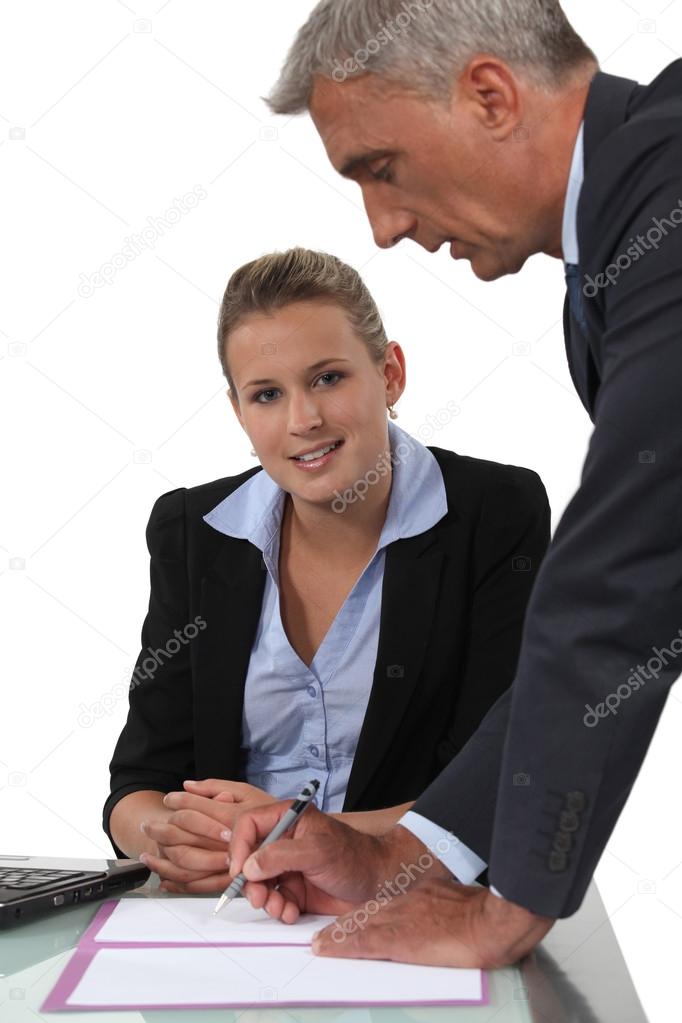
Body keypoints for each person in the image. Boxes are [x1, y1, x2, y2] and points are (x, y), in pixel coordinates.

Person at [217, 0, 682, 969]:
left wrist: (502, 910)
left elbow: (615, 584)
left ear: (489, 95)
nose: (382, 230)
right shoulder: (618, 236)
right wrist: (409, 851)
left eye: (379, 171)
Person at [103, 246, 550, 895]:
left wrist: (294, 836)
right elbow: (138, 785)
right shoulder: (194, 529)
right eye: (266, 394)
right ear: (239, 412)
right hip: (231, 908)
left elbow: (497, 783)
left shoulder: (493, 513)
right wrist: (169, 839)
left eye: (328, 378)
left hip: (412, 902)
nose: (302, 420)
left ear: (390, 373)